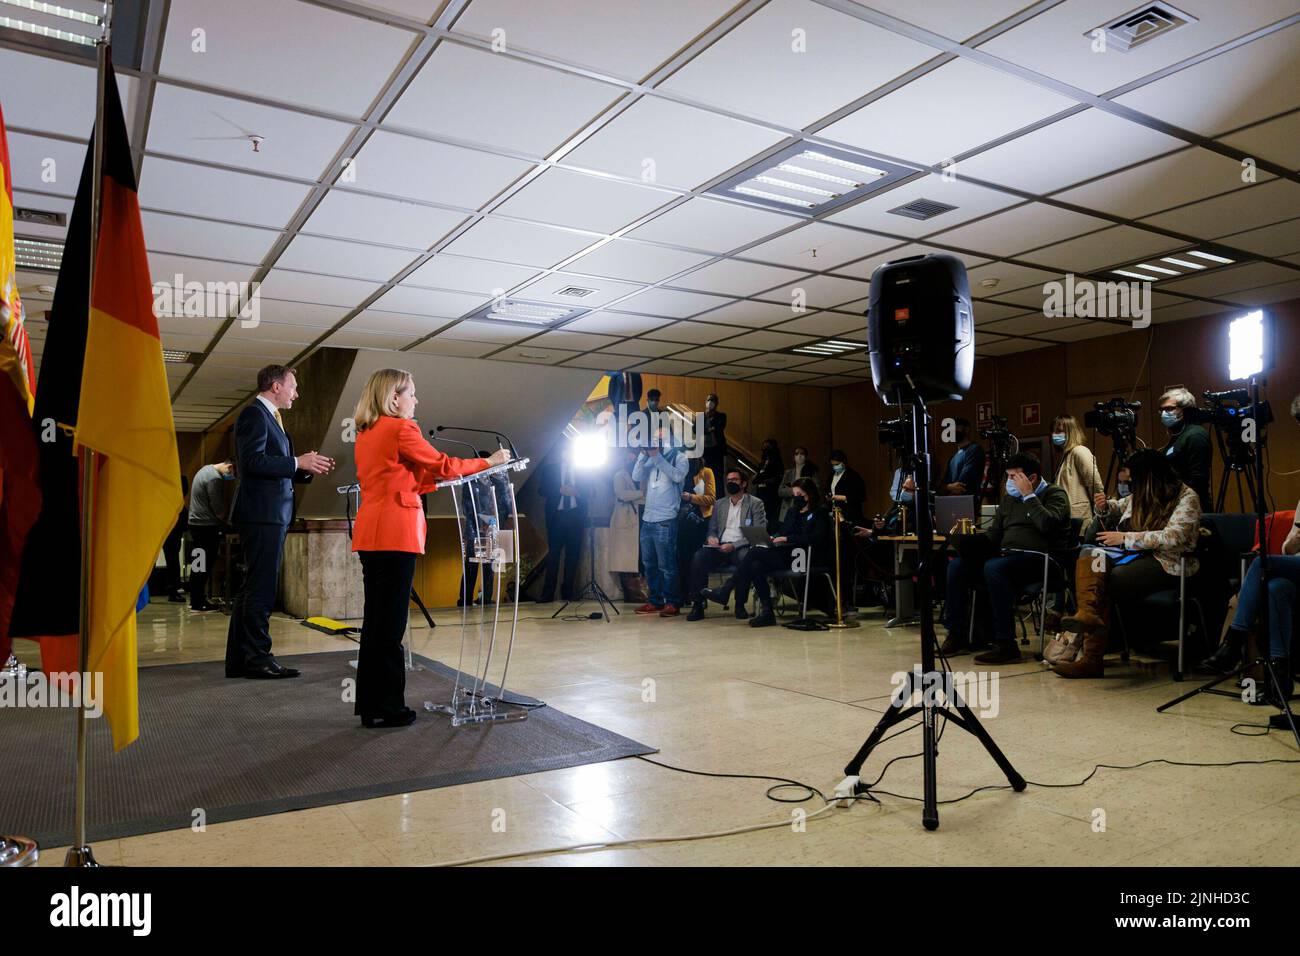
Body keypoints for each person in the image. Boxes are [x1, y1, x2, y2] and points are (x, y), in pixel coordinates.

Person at [351, 368, 509, 728]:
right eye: (412, 394)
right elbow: (442, 465)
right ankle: (390, 708)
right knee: (390, 627)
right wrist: (488, 462)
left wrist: (438, 476)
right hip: (396, 533)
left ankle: (371, 706)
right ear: (394, 397)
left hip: (371, 533)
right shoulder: (402, 428)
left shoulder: (367, 433)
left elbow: (408, 473)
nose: (416, 400)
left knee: (375, 624)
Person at [225, 365, 334, 680]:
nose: (296, 394)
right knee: (260, 589)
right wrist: (296, 461)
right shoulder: (254, 415)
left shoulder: (270, 419)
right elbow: (252, 462)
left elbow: (272, 465)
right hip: (262, 515)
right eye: (293, 387)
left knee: (252, 589)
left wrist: (304, 469)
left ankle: (240, 660)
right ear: (275, 386)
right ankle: (258, 658)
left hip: (269, 514)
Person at [1053, 449, 1202, 678]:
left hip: (1168, 562)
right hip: (1137, 555)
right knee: (1092, 555)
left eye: (1134, 479)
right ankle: (1087, 614)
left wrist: (1126, 538)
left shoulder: (1186, 497)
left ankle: (1092, 653)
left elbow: (1175, 537)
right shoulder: (1143, 493)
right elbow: (1120, 506)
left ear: (1148, 477)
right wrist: (1105, 506)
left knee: (1109, 579)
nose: (1131, 485)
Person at [941, 453, 1071, 663]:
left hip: (1042, 559)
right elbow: (995, 537)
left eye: (1014, 477)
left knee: (994, 567)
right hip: (1007, 557)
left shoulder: (1055, 495)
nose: (1009, 482)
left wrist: (1029, 497)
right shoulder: (1009, 501)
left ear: (1032, 478)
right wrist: (970, 544)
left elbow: (1047, 525)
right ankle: (957, 634)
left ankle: (1007, 644)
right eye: (1008, 477)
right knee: (959, 565)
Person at [734, 477, 831, 628]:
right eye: (795, 495)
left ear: (810, 494)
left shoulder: (820, 512)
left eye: (801, 495)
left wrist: (788, 537)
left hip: (806, 555)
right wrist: (776, 537)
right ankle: (767, 611)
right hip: (787, 553)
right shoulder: (793, 511)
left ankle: (728, 587)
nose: (797, 498)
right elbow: (784, 530)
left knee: (755, 553)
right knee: (755, 565)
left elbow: (816, 538)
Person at [689, 469, 766, 621]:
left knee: (746, 560)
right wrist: (712, 538)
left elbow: (758, 533)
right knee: (698, 557)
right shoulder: (720, 504)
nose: (731, 482)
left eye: (735, 480)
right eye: (729, 480)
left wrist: (734, 545)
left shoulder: (755, 503)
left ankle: (740, 604)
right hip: (719, 546)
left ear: (743, 483)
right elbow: (712, 529)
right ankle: (698, 604)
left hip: (741, 545)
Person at [632, 431, 689, 616]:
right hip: (647, 518)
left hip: (666, 519)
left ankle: (672, 602)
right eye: (654, 439)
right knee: (649, 564)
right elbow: (636, 475)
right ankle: (655, 601)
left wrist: (657, 457)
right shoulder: (651, 458)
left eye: (659, 438)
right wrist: (643, 453)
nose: (655, 441)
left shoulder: (680, 458)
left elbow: (678, 476)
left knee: (667, 565)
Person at [459, 450, 515, 605]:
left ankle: (486, 599)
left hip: (493, 528)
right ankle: (464, 600)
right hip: (475, 528)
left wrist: (494, 523)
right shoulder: (470, 480)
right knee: (471, 566)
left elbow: (505, 503)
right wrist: (480, 522)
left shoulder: (499, 479)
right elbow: (467, 506)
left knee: (489, 567)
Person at [537, 445, 589, 603]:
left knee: (572, 556)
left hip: (576, 516)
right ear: (562, 454)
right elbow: (541, 490)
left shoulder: (583, 470)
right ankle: (548, 594)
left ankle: (568, 592)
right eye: (566, 451)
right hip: (556, 517)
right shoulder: (550, 469)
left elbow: (590, 492)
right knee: (553, 556)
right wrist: (559, 489)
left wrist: (577, 492)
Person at [187, 459, 236, 611]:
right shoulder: (214, 477)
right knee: (203, 566)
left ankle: (195, 599)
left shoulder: (204, 470)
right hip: (206, 528)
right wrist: (227, 521)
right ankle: (198, 602)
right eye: (233, 473)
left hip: (196, 526)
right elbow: (218, 507)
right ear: (229, 466)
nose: (232, 477)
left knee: (198, 565)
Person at [1158, 387, 1212, 513]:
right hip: (1175, 506)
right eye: (1162, 410)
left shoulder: (1195, 435)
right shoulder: (1177, 436)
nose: (1164, 413)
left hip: (1191, 508)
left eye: (1170, 409)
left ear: (1186, 411)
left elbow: (1198, 481)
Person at [676, 455, 716, 606]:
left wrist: (691, 497)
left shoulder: (706, 472)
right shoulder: (679, 472)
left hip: (700, 521)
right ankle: (684, 595)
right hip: (681, 520)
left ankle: (700, 596)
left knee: (698, 560)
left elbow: (711, 498)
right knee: (682, 559)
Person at [1051, 414, 1105, 524]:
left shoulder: (1079, 451)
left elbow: (1095, 484)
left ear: (1071, 432)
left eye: (1059, 431)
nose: (1054, 435)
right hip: (1067, 518)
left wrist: (1099, 510)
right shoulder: (1065, 455)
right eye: (1053, 431)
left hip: (1079, 519)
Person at [610, 448, 644, 602]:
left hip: (638, 518)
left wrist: (638, 496)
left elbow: (642, 498)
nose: (632, 460)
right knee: (626, 559)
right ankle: (631, 593)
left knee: (637, 557)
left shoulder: (640, 476)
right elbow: (622, 494)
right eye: (629, 458)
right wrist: (641, 494)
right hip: (625, 519)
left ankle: (639, 591)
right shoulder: (619, 475)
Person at [939, 417, 984, 497]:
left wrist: (948, 487)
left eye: (956, 427)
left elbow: (963, 484)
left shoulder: (974, 449)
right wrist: (948, 487)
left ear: (966, 429)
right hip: (952, 502)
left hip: (968, 501)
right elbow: (942, 485)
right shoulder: (953, 457)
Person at [778, 445, 820, 521]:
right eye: (797, 454)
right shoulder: (788, 473)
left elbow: (817, 489)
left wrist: (804, 492)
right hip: (790, 507)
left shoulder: (812, 471)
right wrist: (792, 490)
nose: (799, 456)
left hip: (806, 506)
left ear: (806, 456)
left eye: (802, 454)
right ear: (794, 457)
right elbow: (780, 491)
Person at [751, 438, 784, 521]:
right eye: (764, 447)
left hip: (771, 492)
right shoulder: (763, 461)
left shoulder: (777, 461)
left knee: (770, 515)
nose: (765, 449)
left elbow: (778, 477)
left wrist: (764, 478)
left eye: (767, 447)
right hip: (760, 491)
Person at [701, 393, 727, 480]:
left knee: (718, 475)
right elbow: (695, 430)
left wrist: (710, 418)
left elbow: (719, 428)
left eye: (712, 400)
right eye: (708, 400)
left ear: (716, 403)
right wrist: (709, 429)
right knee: (705, 474)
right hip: (704, 450)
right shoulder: (700, 416)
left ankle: (719, 493)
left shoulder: (721, 416)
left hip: (717, 449)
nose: (710, 402)